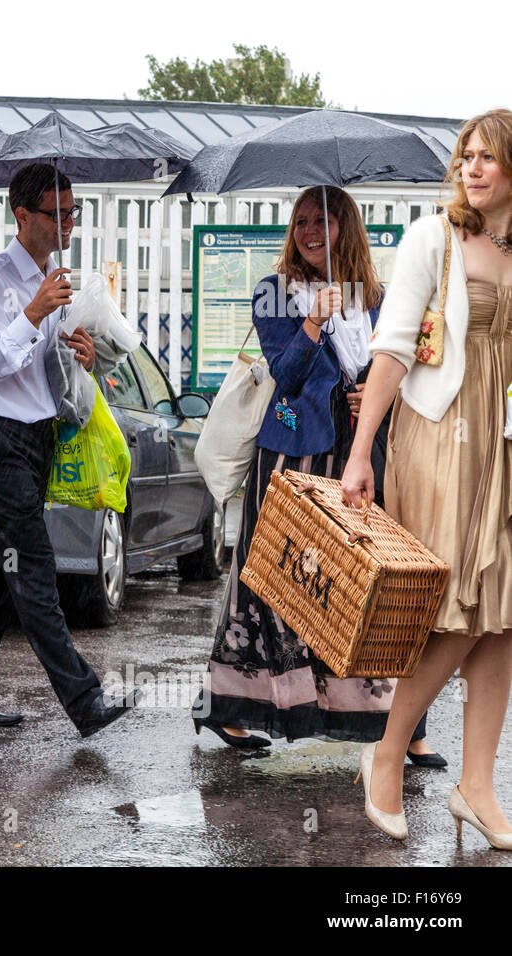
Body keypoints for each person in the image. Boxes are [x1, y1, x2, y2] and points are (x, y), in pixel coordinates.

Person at [198, 185, 439, 756]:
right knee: (272, 584)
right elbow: (285, 375)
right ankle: (233, 707)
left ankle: (400, 728)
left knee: (364, 586)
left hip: (356, 457)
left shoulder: (379, 299)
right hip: (289, 457)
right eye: (301, 221)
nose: (310, 231)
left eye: (322, 221)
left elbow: (400, 367)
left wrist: (374, 400)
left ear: (345, 228)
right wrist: (311, 323)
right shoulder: (273, 294)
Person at [343, 109, 512, 847]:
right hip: (444, 435)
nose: (473, 169)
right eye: (466, 157)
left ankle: (477, 784)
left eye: (490, 159)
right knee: (458, 607)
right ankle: (386, 753)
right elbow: (391, 351)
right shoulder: (431, 239)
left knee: (505, 613)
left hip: (505, 440)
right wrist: (360, 452)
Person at [0, 163, 137, 740]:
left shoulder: (55, 275)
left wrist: (81, 354)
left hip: (35, 436)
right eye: (58, 214)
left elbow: (42, 371)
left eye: (74, 212)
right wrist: (35, 313)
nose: (68, 224)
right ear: (22, 215)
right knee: (35, 568)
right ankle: (85, 700)